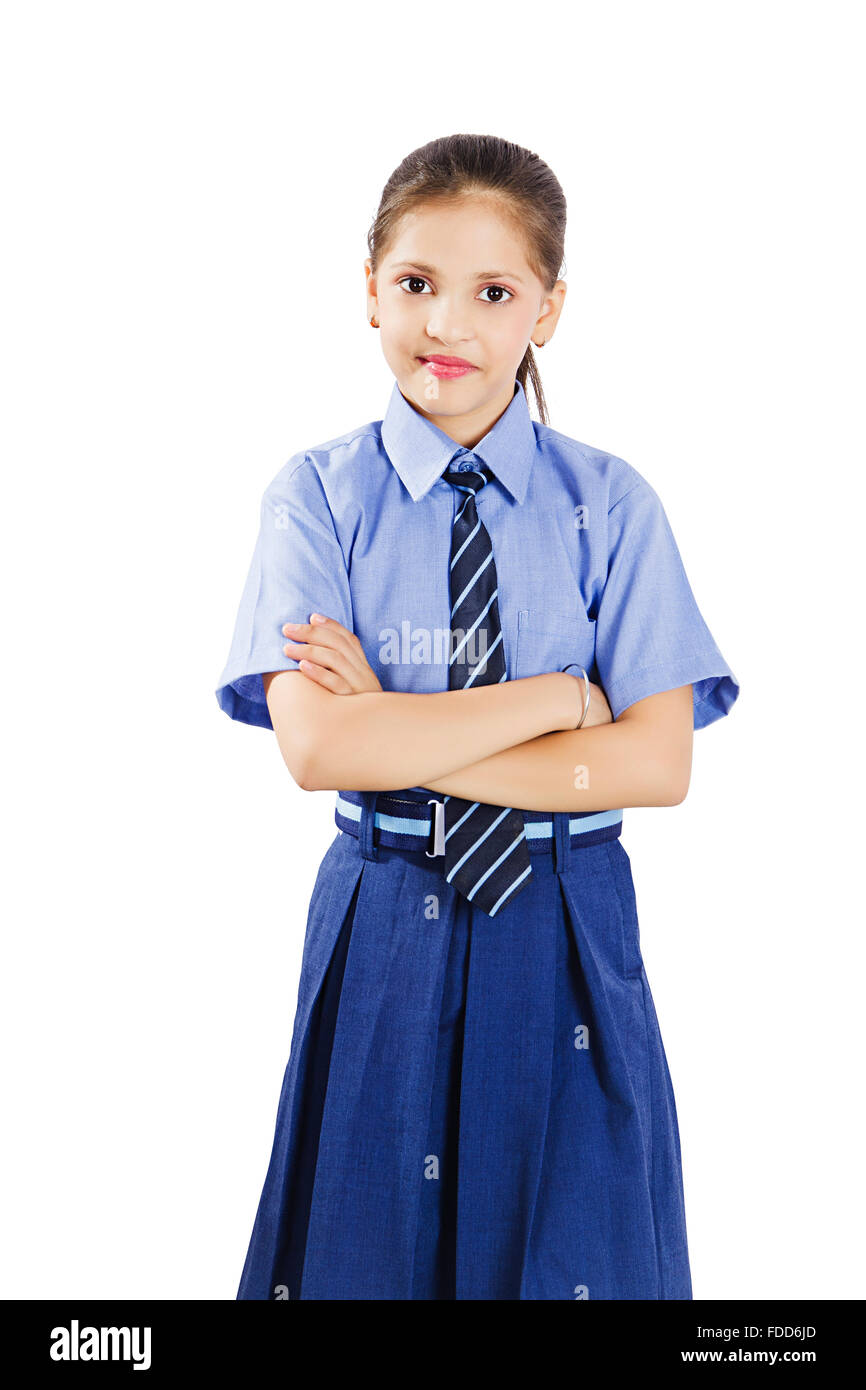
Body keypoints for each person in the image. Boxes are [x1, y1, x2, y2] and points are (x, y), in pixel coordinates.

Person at [215, 133, 739, 1301]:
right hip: (382, 911)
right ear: (367, 291)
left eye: (492, 292)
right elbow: (318, 749)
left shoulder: (610, 506)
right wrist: (559, 706)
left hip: (563, 921)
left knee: (575, 1254)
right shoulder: (316, 497)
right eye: (414, 284)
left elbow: (655, 765)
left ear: (547, 310)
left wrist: (400, 730)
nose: (446, 325)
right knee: (364, 1252)